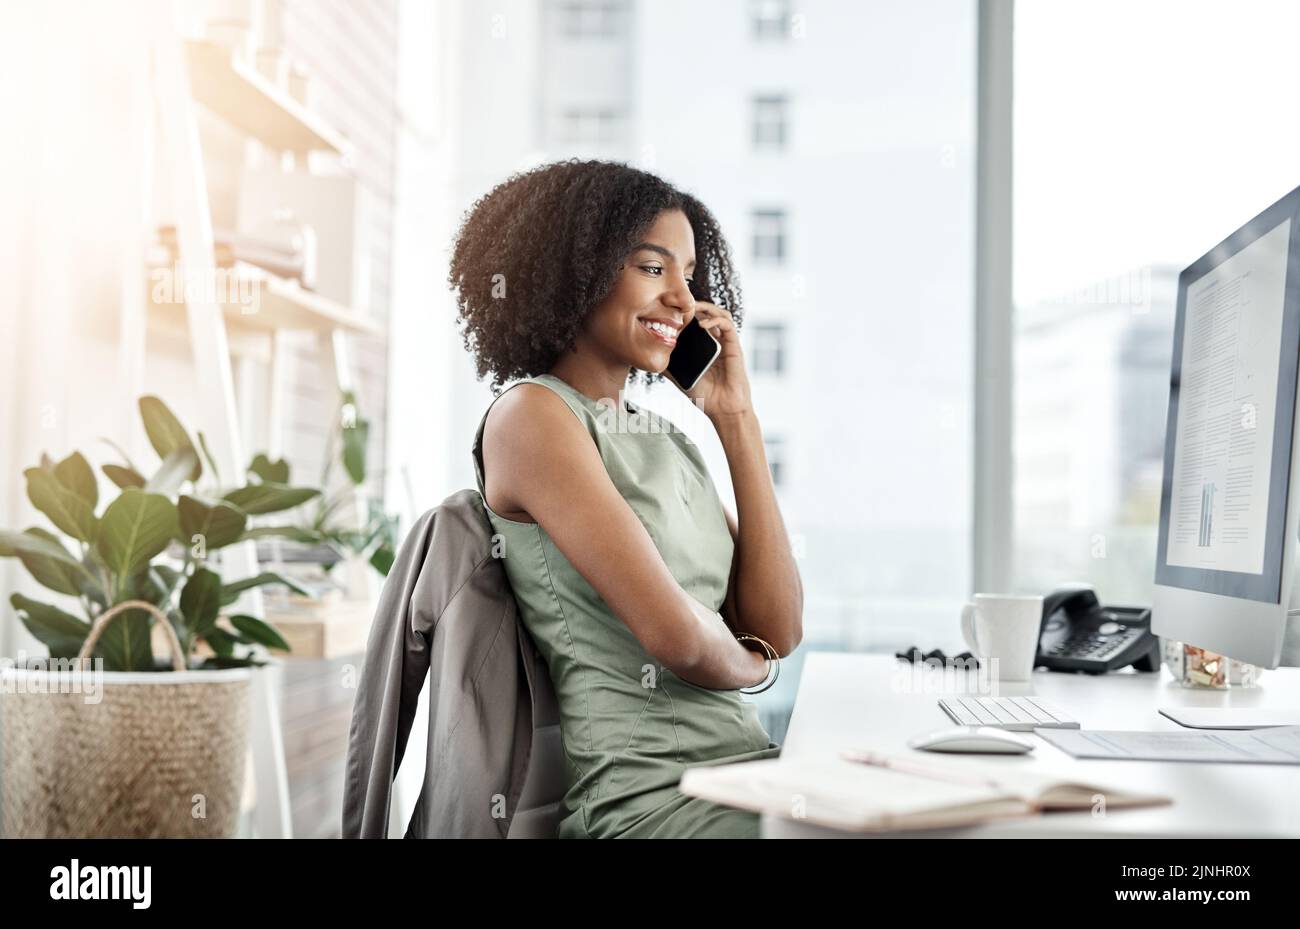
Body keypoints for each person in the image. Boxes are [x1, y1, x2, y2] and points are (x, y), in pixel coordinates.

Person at [452, 159, 803, 838]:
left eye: (689, 273)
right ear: (572, 272)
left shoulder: (666, 437)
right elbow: (676, 636)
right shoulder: (533, 415)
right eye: (652, 267)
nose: (683, 298)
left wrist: (736, 420)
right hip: (655, 802)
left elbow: (779, 624)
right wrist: (753, 665)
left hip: (748, 773)